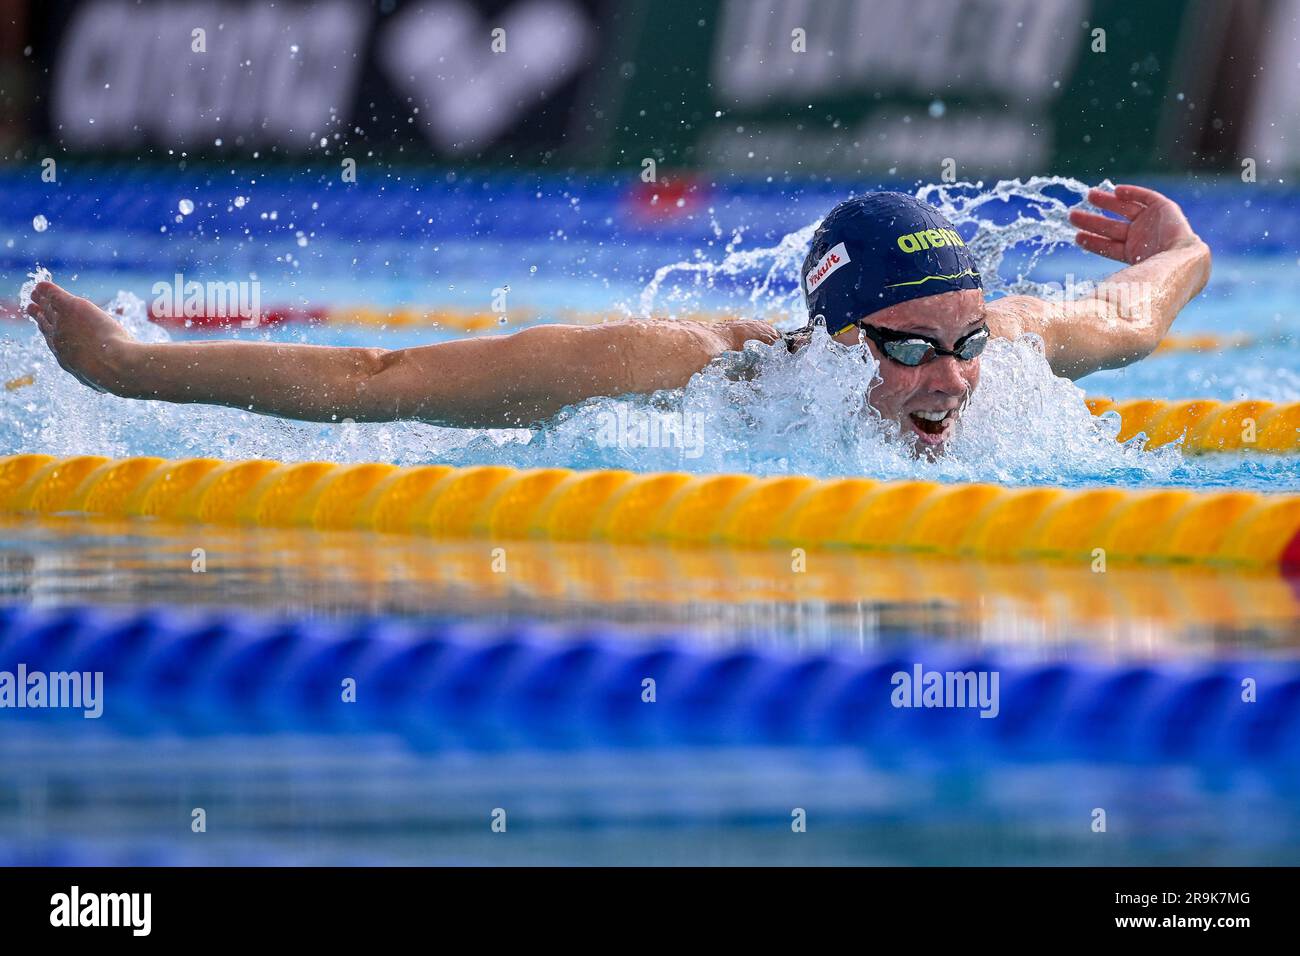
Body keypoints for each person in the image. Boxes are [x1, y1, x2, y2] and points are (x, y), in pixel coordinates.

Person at [25, 184, 1210, 453]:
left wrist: (1185, 249)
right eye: (908, 349)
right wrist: (135, 366)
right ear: (838, 335)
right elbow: (387, 376)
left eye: (961, 341)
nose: (950, 381)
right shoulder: (686, 369)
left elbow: (1130, 311)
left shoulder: (994, 351)